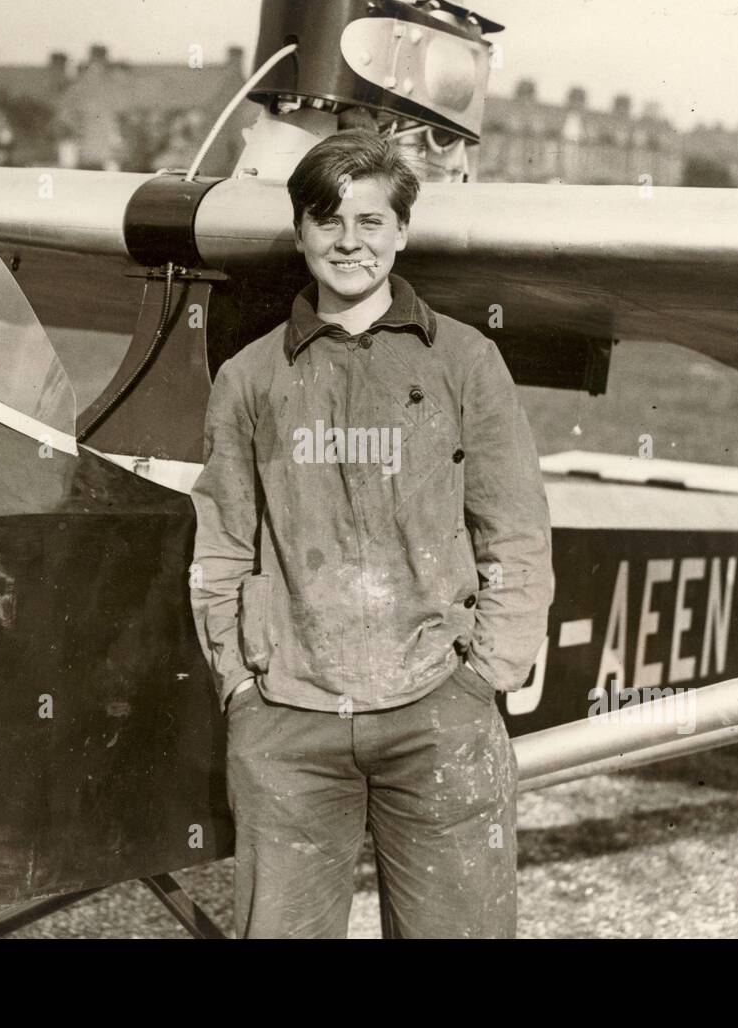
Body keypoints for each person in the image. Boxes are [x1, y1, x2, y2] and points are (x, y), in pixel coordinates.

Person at [189, 129, 554, 939]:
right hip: (288, 721)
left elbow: (517, 535)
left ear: (400, 231)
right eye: (329, 220)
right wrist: (243, 692)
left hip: (438, 712)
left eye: (371, 220)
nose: (349, 241)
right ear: (300, 232)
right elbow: (220, 547)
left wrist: (482, 676)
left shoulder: (467, 362)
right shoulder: (248, 378)